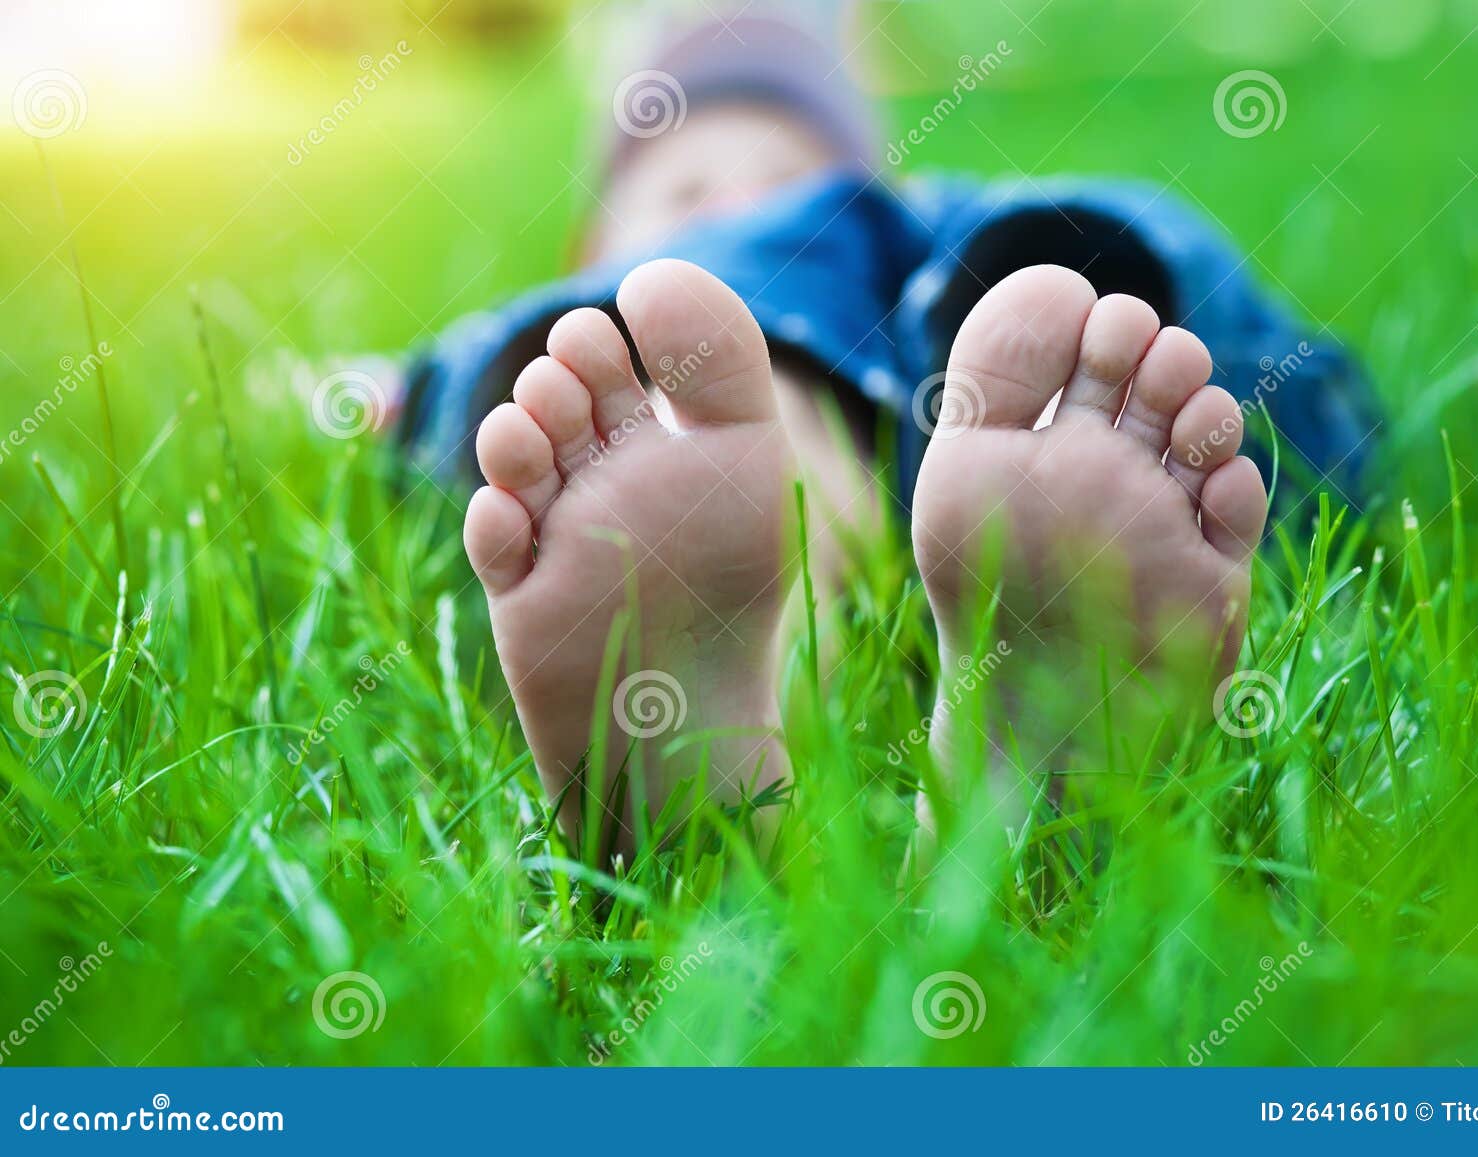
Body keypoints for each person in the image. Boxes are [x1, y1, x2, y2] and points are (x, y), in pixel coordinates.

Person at [397, 13, 1380, 853]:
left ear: (873, 190)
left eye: (793, 174)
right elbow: (376, 392)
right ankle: (814, 559)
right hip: (827, 376)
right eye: (688, 192)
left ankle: (744, 773)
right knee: (705, 309)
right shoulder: (617, 296)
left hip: (948, 319)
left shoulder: (899, 227)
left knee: (1091, 244)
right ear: (587, 250)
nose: (747, 204)